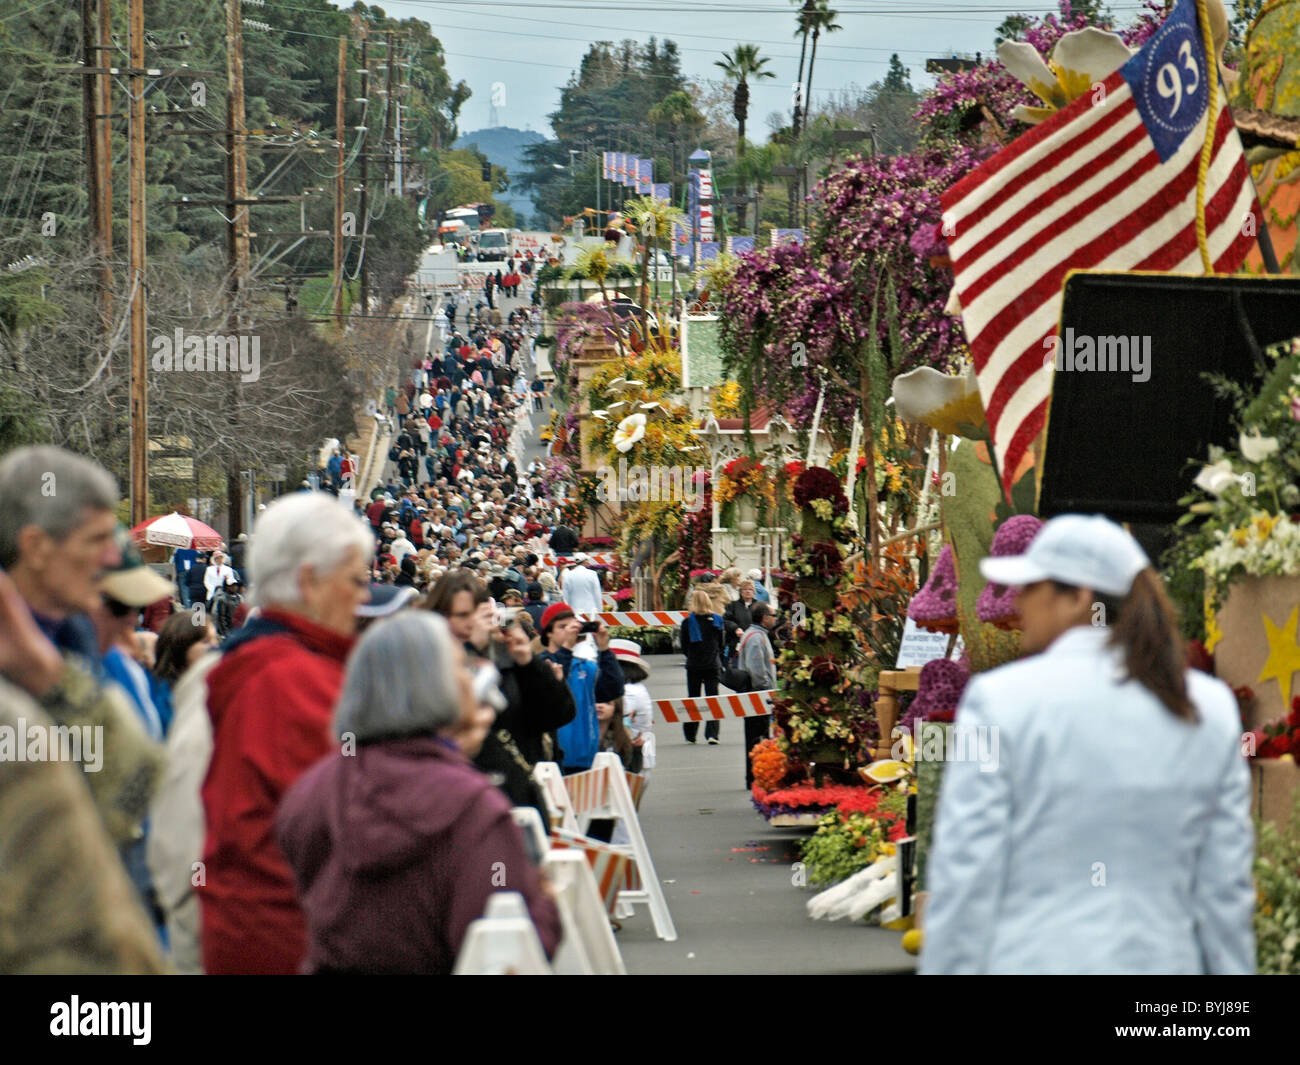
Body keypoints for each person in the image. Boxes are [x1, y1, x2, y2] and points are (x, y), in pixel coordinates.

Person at [920, 515, 1254, 975]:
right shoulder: (1208, 706)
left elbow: (967, 873)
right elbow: (1224, 888)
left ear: (1078, 597)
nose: (1018, 601)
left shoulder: (999, 701)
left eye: (1032, 587)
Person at [275, 611, 562, 974]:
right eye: (460, 666)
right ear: (437, 687)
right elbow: (509, 948)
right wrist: (548, 906)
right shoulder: (474, 808)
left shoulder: (311, 791)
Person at [198, 492, 374, 975]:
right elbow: (357, 829)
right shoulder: (293, 684)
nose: (364, 598)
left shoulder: (266, 668)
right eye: (356, 580)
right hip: (294, 945)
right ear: (309, 582)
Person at [0, 446, 163, 849]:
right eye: (97, 540)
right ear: (36, 547)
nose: (111, 558)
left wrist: (54, 679)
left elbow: (137, 799)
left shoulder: (74, 642)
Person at [423, 570, 574, 821]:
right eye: (461, 616)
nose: (470, 625)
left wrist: (528, 662)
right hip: (462, 802)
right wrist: (471, 648)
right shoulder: (428, 664)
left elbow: (559, 713)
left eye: (478, 616)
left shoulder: (505, 660)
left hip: (518, 799)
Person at [538, 603, 623, 772]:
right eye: (562, 627)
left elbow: (612, 690)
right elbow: (552, 689)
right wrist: (567, 648)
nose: (569, 631)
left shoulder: (585, 666)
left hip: (586, 756)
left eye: (572, 626)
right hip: (553, 758)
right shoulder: (541, 663)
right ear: (548, 633)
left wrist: (604, 649)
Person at [737, 602, 778, 788]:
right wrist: (766, 689)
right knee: (757, 737)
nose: (775, 618)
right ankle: (754, 777)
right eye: (773, 615)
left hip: (757, 694)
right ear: (764, 618)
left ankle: (757, 776)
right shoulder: (756, 637)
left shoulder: (756, 634)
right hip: (757, 696)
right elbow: (757, 670)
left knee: (758, 736)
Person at [679, 589, 724, 744]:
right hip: (712, 664)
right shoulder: (717, 620)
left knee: (693, 698)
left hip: (694, 665)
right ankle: (712, 733)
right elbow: (721, 642)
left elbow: (683, 645)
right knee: (713, 699)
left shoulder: (687, 623)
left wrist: (692, 655)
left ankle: (691, 733)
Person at [611, 639, 654, 777]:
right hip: (638, 754)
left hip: (627, 755)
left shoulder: (627, 692)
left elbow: (621, 720)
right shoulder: (638, 688)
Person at [724, 579, 757, 658]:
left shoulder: (759, 606)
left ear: (754, 592)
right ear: (741, 592)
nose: (747, 591)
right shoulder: (732, 605)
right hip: (736, 642)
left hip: (754, 642)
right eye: (745, 589)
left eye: (750, 589)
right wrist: (735, 628)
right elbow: (726, 620)